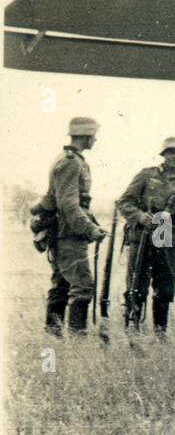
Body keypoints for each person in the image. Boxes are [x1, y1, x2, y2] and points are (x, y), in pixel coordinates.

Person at [117, 137, 175, 337]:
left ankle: (160, 333)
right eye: (171, 152)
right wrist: (140, 216)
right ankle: (132, 329)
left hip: (170, 243)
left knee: (165, 290)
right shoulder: (146, 176)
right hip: (142, 240)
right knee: (136, 287)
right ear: (163, 154)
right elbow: (124, 202)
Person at [42, 117, 107, 337]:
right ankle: (77, 342)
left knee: (62, 284)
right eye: (94, 135)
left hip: (66, 233)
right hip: (70, 235)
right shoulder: (71, 162)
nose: (96, 140)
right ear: (86, 135)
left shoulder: (71, 160)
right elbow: (68, 204)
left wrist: (93, 225)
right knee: (82, 285)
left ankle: (54, 337)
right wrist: (89, 229)